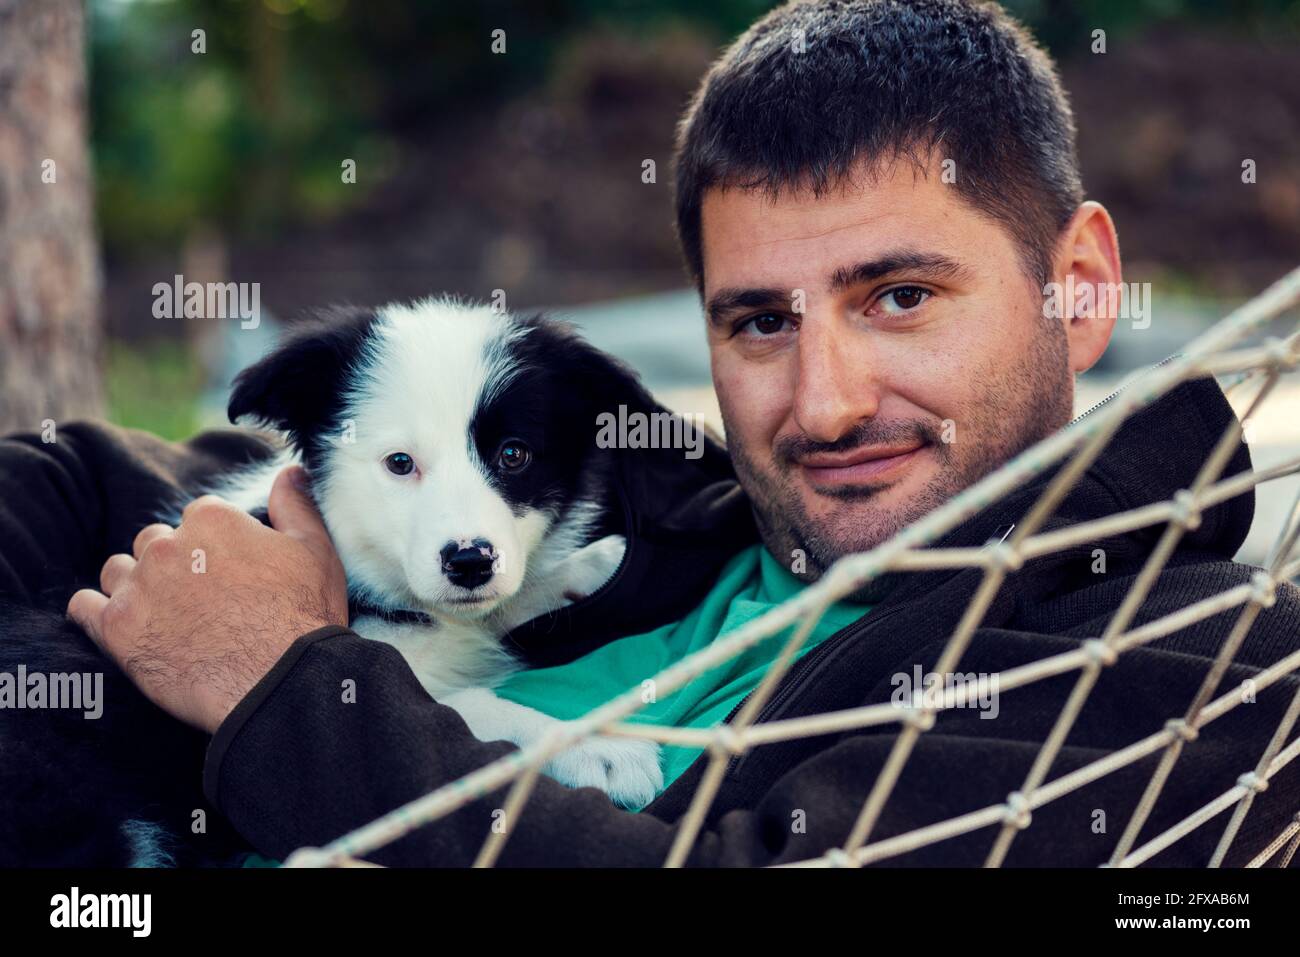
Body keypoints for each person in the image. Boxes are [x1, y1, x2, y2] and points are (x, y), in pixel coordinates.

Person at [4, 0, 1298, 867]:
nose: (826, 401)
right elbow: (82, 485)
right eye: (756, 323)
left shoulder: (1203, 660)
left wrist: (290, 689)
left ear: (1079, 290)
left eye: (900, 298)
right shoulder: (663, 507)